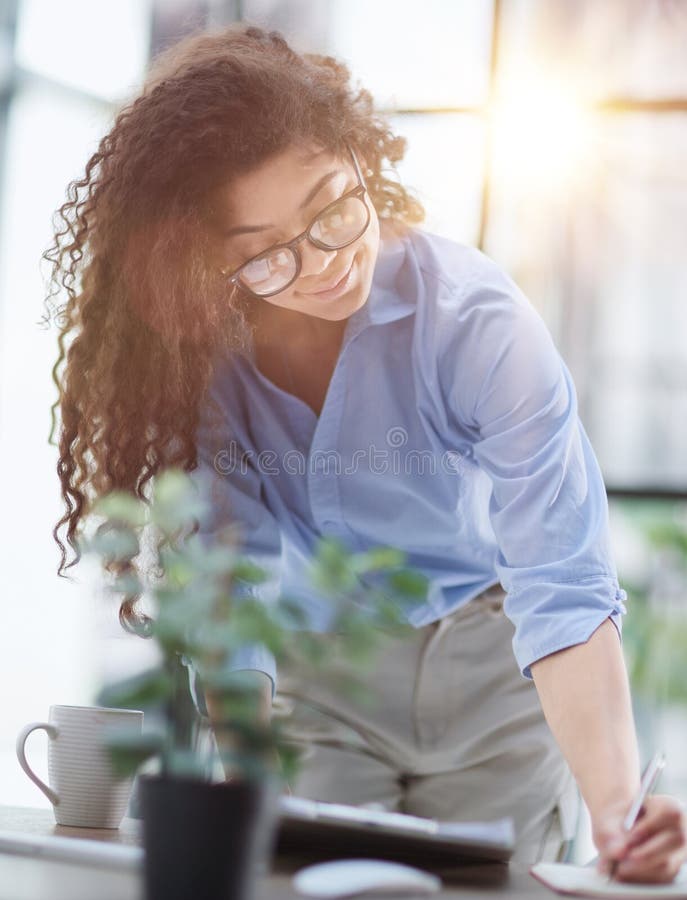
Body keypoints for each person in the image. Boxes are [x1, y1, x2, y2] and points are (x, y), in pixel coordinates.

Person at [48, 23, 686, 878]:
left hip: (494, 667)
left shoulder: (474, 324)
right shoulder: (201, 374)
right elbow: (234, 600)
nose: (320, 262)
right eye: (268, 255)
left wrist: (616, 815)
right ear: (213, 264)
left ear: (359, 157)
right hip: (319, 680)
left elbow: (564, 586)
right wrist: (243, 793)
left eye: (332, 208)